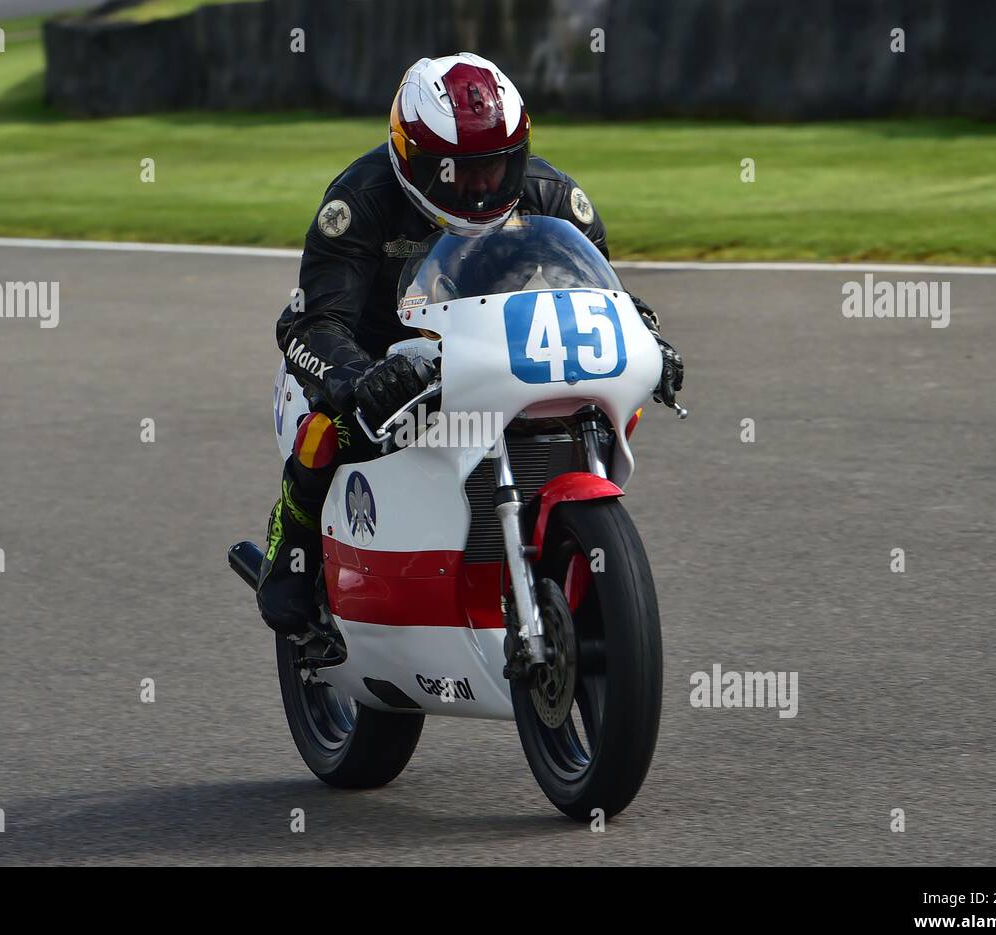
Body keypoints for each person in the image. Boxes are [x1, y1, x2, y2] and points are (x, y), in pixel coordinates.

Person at [257, 52, 684, 634]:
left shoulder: (553, 196)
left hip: (490, 350)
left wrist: (649, 336)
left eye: (497, 166)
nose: (482, 185)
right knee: (329, 430)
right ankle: (293, 537)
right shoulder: (359, 203)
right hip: (379, 356)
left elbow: (605, 296)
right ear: (410, 157)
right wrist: (359, 377)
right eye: (458, 171)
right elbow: (311, 323)